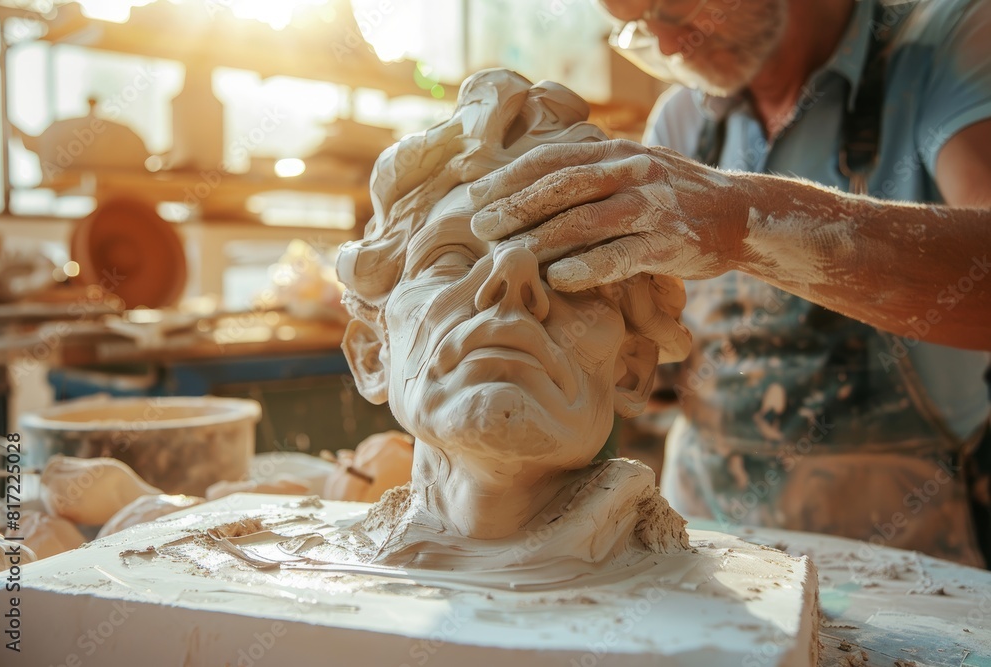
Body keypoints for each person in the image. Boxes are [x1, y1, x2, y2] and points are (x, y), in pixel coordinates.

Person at [468, 0, 991, 567]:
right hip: (709, 540)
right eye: (638, 28)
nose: (669, 46)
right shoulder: (682, 118)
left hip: (903, 546)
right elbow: (667, 343)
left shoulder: (946, 43)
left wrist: (745, 221)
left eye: (670, 9)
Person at [333, 70, 690, 580]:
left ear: (630, 372)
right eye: (449, 258)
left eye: (570, 270)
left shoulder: (686, 609)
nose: (513, 271)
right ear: (374, 355)